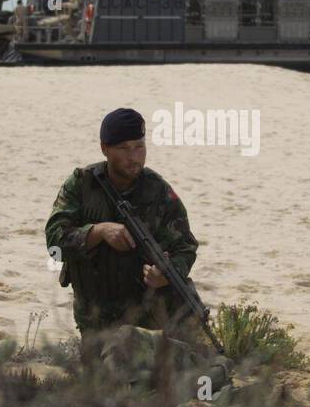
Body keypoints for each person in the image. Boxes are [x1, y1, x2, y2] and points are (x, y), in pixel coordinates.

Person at [44, 108, 203, 372]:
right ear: (104, 149)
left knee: (170, 374)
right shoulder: (81, 185)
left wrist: (166, 272)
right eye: (124, 148)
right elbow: (54, 243)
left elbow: (185, 246)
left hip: (147, 316)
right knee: (108, 382)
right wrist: (98, 232)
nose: (134, 157)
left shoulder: (159, 191)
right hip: (97, 319)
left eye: (139, 147)